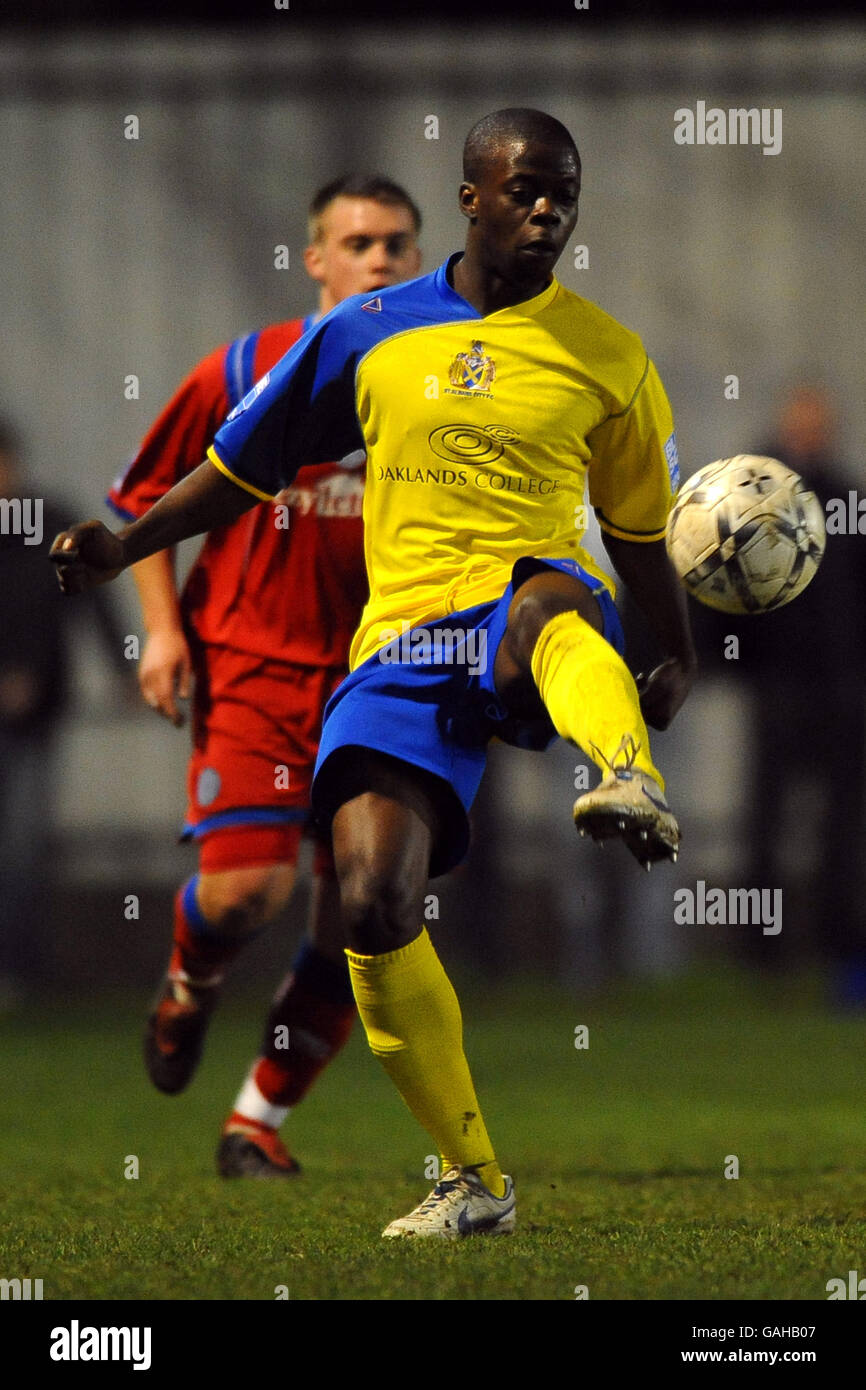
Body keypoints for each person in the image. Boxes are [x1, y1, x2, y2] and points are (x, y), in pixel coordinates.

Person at [51, 108, 696, 1237]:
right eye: (525, 189)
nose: (547, 211)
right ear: (472, 196)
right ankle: (472, 1179)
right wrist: (125, 545)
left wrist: (677, 645)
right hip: (397, 644)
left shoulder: (608, 354)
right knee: (373, 896)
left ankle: (625, 770)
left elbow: (638, 530)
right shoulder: (367, 333)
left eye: (564, 195)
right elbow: (238, 466)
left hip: (532, 603)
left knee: (544, 593)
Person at [105, 176, 422, 1177]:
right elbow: (146, 500)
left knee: (363, 917)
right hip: (250, 667)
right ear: (316, 259)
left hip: (382, 678)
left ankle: (254, 1124)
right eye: (357, 241)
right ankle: (188, 988)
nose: (379, 257)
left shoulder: (440, 380)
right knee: (246, 891)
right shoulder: (247, 367)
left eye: (396, 243)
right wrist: (160, 633)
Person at [689, 385, 866, 990]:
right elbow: (713, 573)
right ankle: (760, 955)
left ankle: (841, 950)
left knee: (844, 826)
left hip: (843, 693)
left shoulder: (847, 497)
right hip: (776, 687)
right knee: (767, 819)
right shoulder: (744, 494)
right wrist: (718, 659)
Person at [0, 418, 130, 996]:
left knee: (23, 849)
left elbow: (90, 599)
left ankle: (20, 971)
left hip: (35, 719)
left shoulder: (49, 522)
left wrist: (125, 671)